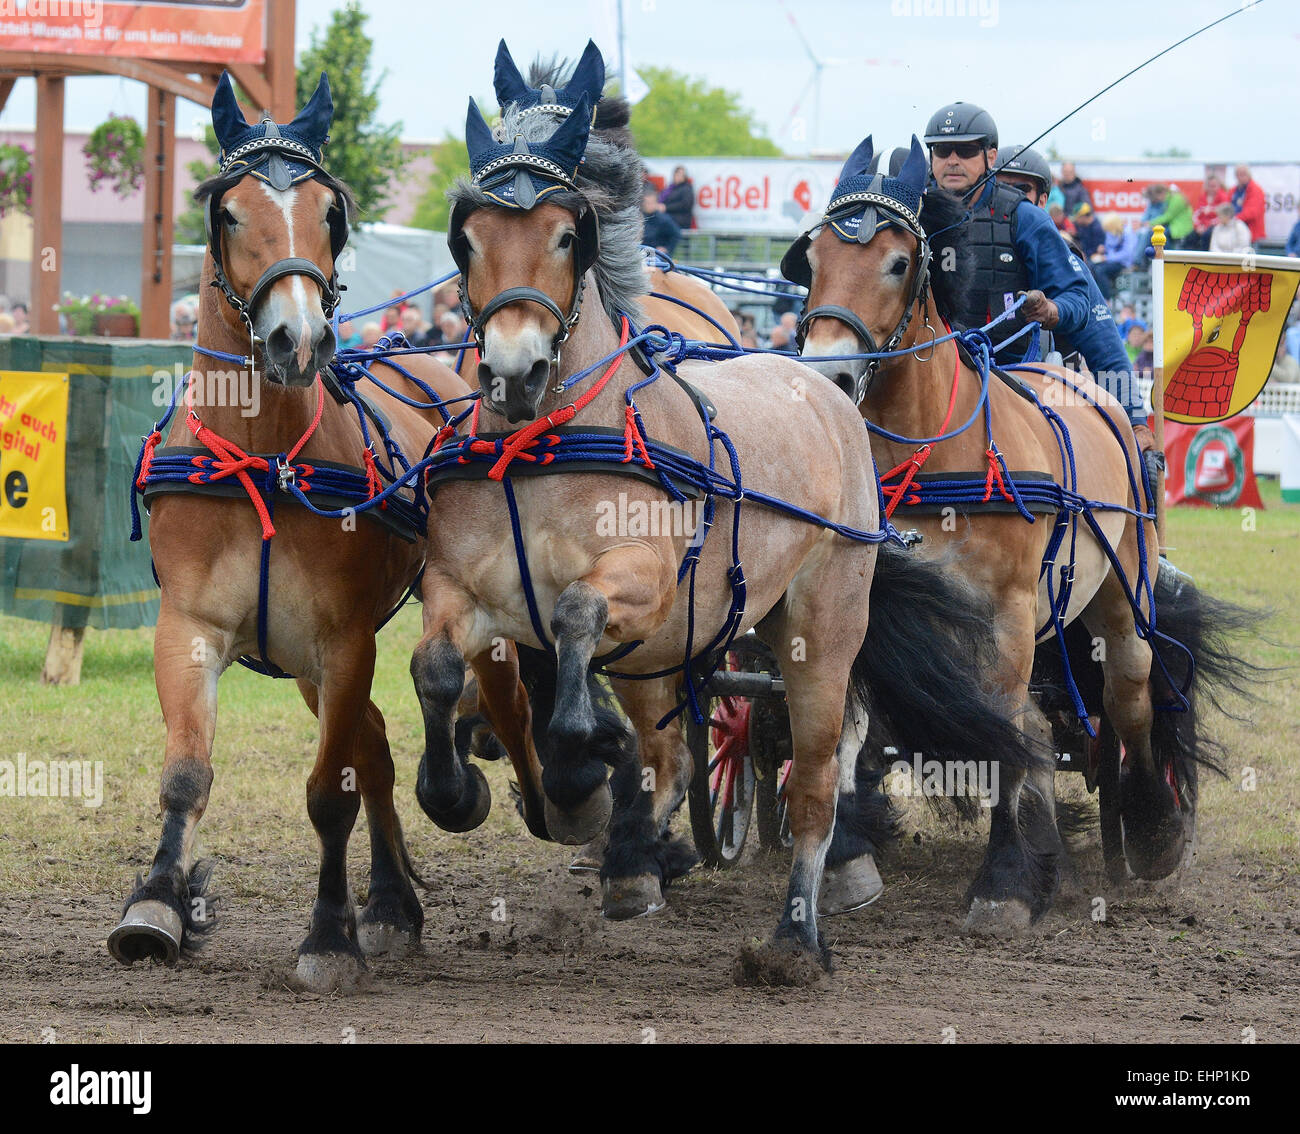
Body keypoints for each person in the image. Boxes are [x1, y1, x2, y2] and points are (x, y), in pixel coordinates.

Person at [922, 102, 1157, 472]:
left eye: (965, 150)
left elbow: (1100, 336)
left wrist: (1135, 418)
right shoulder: (912, 212)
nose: (952, 160)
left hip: (1017, 382)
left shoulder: (1029, 224)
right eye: (942, 150)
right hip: (931, 382)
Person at [1093, 213, 1138, 300]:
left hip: (1123, 263)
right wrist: (1103, 250)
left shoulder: (1127, 233)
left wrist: (1107, 257)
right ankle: (1095, 297)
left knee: (1100, 270)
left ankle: (1106, 299)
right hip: (1111, 261)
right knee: (1092, 267)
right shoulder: (1111, 233)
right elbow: (1110, 247)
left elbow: (1127, 253)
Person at [1189, 173, 1230, 253]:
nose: (1211, 189)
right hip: (1202, 226)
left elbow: (1223, 216)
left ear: (1219, 186)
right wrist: (1198, 226)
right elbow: (1196, 214)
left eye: (1214, 186)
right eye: (1210, 186)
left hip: (1216, 226)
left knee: (1207, 236)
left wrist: (1206, 226)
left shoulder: (1223, 197)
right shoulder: (1202, 196)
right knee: (1190, 237)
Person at [1142, 182, 1193, 247]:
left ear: (1162, 193)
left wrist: (1151, 223)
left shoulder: (1176, 199)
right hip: (1174, 227)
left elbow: (1168, 216)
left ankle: (1163, 255)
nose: (1158, 201)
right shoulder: (1171, 198)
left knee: (1157, 235)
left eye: (1157, 198)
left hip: (1181, 229)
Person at [1231, 165, 1266, 244]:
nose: (1241, 177)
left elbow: (1252, 212)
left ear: (1249, 175)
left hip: (1250, 232)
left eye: (1243, 174)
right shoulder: (1233, 191)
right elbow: (1225, 208)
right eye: (1238, 175)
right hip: (1232, 231)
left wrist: (1233, 219)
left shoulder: (1256, 190)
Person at [642, 186, 681, 255]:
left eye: (652, 202)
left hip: (658, 258)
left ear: (656, 203)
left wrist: (667, 249)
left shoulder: (664, 219)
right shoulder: (639, 218)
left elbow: (676, 234)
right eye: (647, 203)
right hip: (642, 255)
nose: (649, 205)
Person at [659, 166, 695, 231]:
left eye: (681, 174)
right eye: (677, 173)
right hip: (668, 218)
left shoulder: (686, 188)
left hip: (680, 221)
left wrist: (666, 207)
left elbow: (686, 205)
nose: (678, 176)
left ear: (685, 176)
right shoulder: (670, 188)